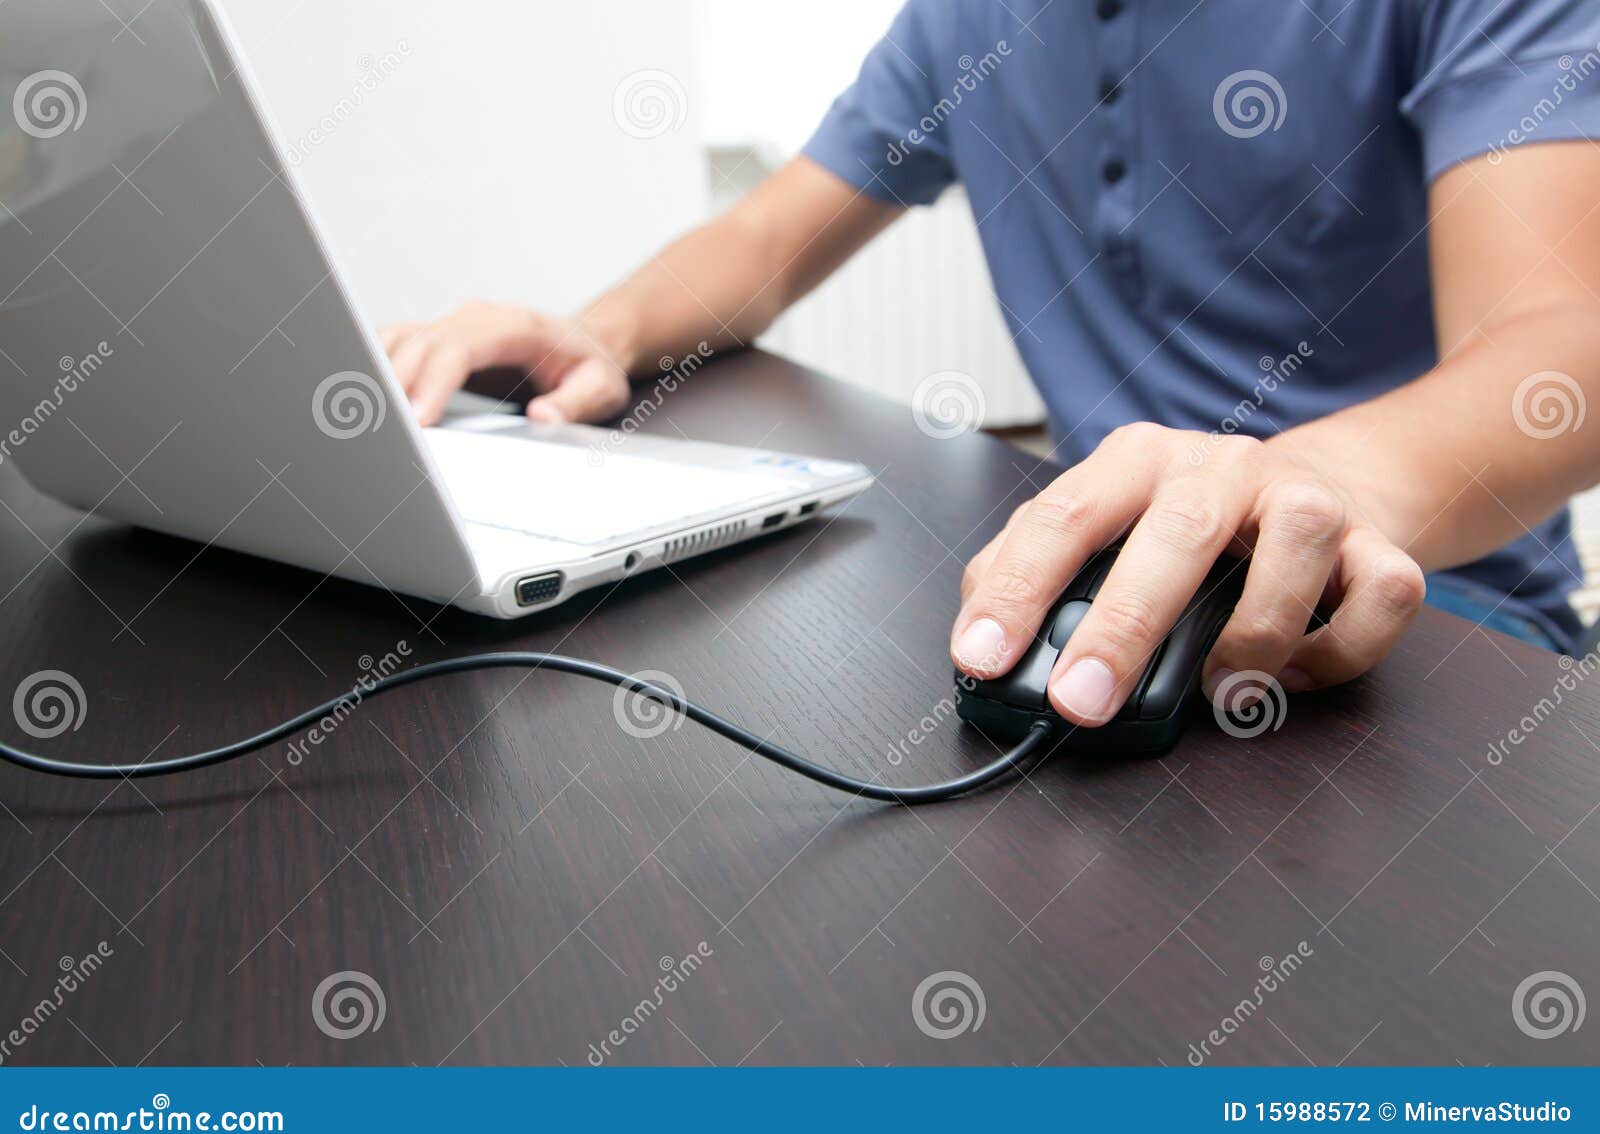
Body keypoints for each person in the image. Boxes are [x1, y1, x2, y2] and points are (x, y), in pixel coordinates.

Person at [380, 1, 1600, 730]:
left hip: (1442, 629)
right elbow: (765, 237)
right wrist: (602, 329)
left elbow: (1564, 341)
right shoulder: (962, 21)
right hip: (1105, 593)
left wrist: (1308, 482)